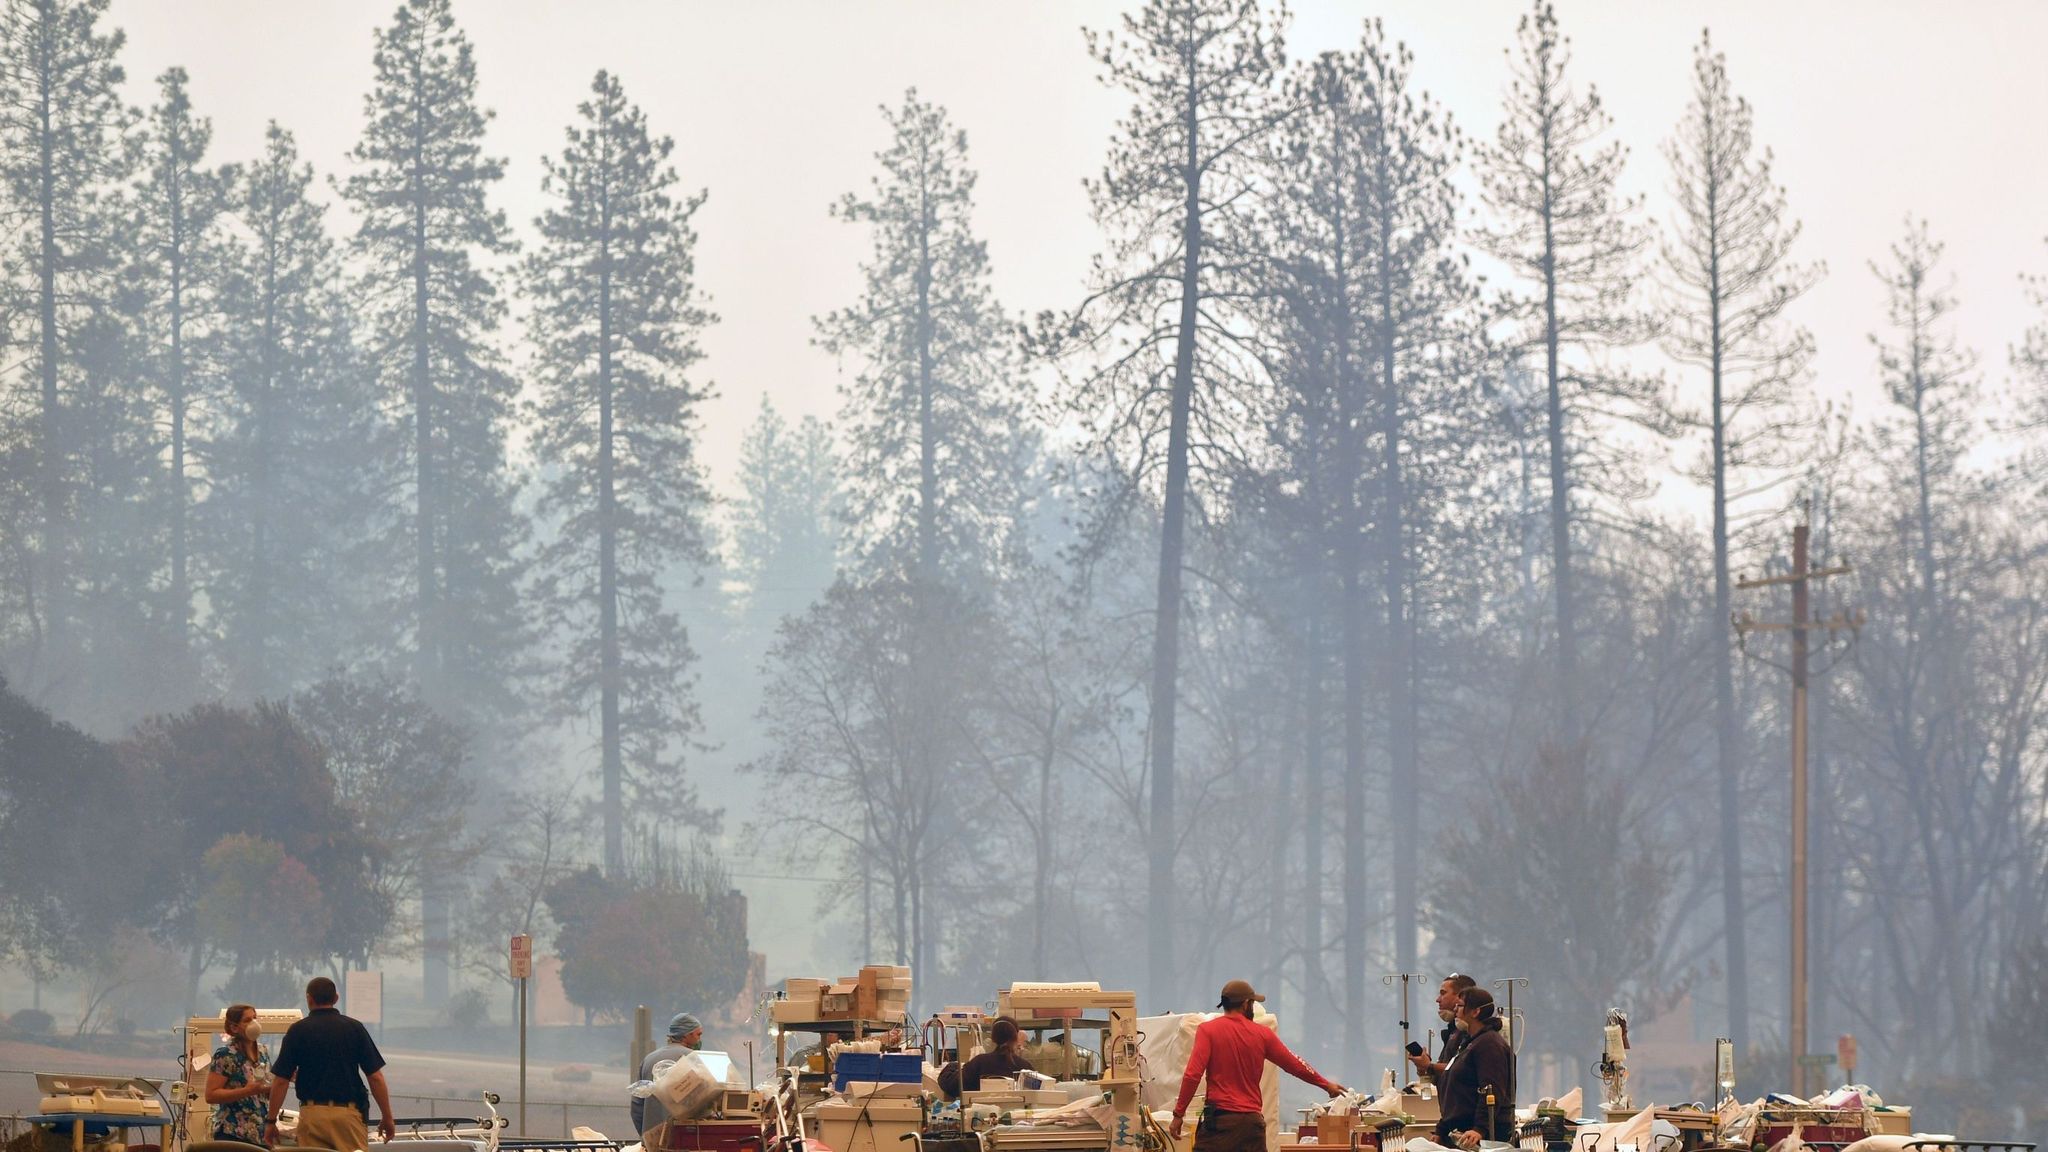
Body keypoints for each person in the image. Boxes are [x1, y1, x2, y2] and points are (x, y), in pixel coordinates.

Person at [1170, 980, 1347, 1152]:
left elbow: (1192, 1075)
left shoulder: (1207, 1031)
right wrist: (1326, 1084)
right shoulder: (1262, 1035)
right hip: (1251, 1126)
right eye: (1253, 1003)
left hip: (1220, 1125)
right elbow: (1295, 1064)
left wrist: (1179, 1115)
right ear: (1246, 1004)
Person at [264, 977, 395, 1152]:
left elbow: (281, 1081)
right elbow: (375, 1077)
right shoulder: (354, 1028)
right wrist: (387, 1117)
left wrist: (271, 1121)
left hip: (312, 1115)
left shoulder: (297, 1030)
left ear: (309, 999)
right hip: (347, 1116)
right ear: (336, 999)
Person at [1435, 987, 1515, 1150]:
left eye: (1460, 1006)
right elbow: (1459, 1093)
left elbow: (1492, 1090)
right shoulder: (1469, 1043)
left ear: (1475, 1011)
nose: (1455, 1010)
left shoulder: (1489, 1045)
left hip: (1477, 1136)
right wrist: (1441, 1129)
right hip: (1459, 1132)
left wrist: (1480, 1128)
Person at [206, 1005, 271, 1146]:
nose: (254, 1023)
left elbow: (265, 1090)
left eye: (255, 1018)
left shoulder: (262, 1052)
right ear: (234, 1027)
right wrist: (246, 1091)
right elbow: (211, 1095)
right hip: (233, 1132)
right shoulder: (226, 1055)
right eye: (247, 1020)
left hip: (259, 1133)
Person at [634, 1012, 704, 1137]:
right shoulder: (694, 1058)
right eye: (698, 1034)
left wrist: (645, 1137)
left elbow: (637, 1105)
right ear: (687, 1035)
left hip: (653, 1139)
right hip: (686, 1138)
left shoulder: (648, 1059)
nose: (700, 1039)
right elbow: (704, 1100)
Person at [1407, 973, 1478, 1087]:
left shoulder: (1472, 1032)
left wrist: (1429, 1066)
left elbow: (1462, 1070)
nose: (1437, 1000)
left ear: (1461, 997)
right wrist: (1423, 1068)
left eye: (1443, 993)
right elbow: (1445, 1076)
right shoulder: (1452, 1031)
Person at [959, 1017, 1034, 1093]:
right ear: (1016, 1038)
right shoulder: (1025, 1067)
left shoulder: (979, 1062)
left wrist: (950, 1067)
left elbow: (954, 1086)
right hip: (1018, 1105)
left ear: (993, 1038)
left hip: (982, 1104)